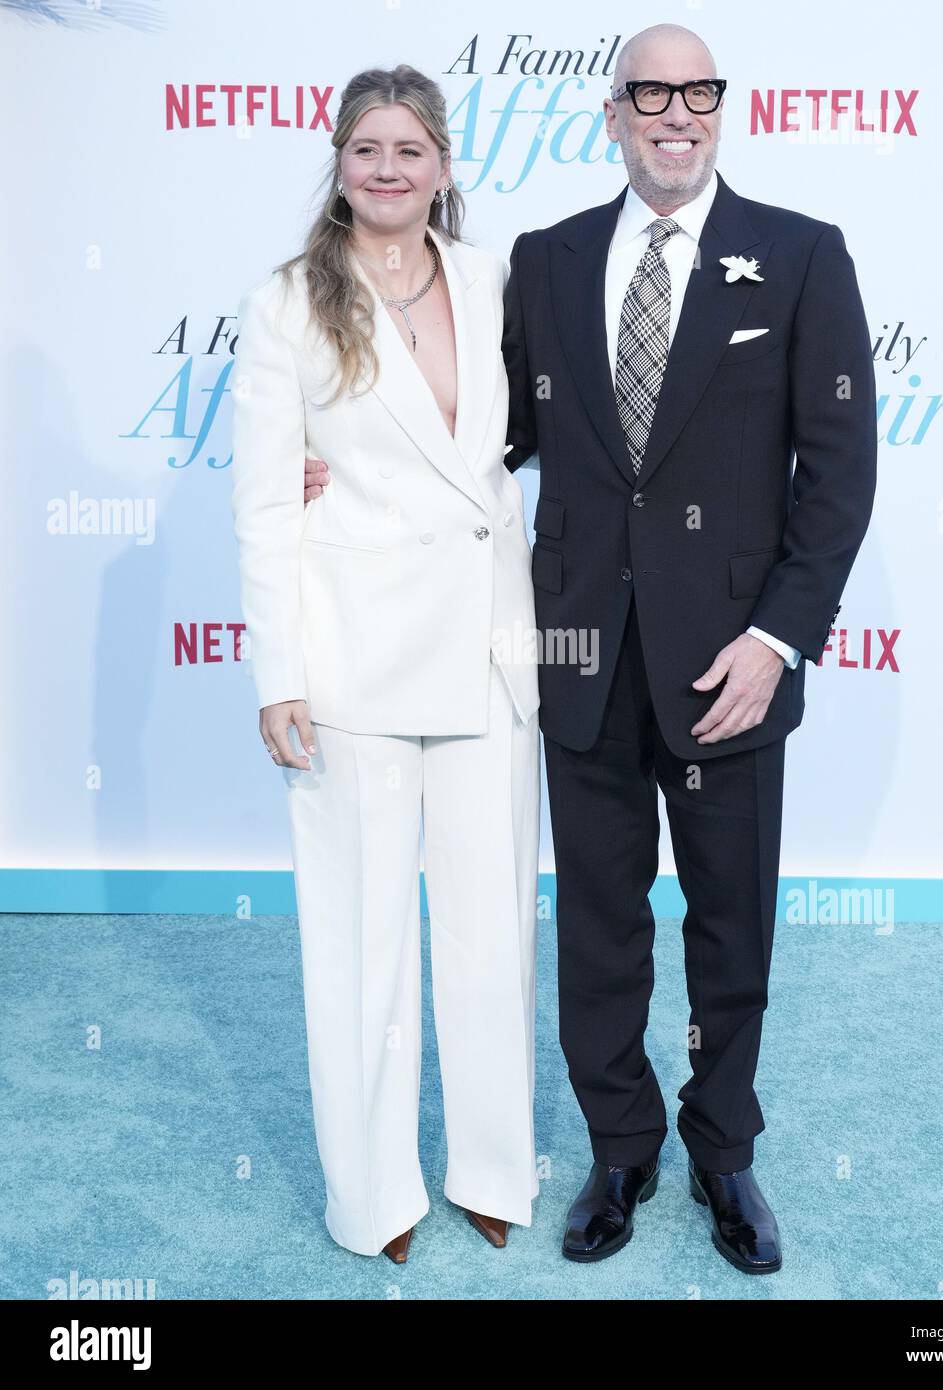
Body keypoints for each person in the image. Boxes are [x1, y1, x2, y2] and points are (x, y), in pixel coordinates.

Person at [305, 23, 877, 1273]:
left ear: (719, 110)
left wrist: (778, 639)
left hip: (730, 665)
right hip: (573, 654)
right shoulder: (547, 261)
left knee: (730, 925)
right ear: (609, 115)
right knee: (597, 925)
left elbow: (835, 479)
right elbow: (480, 434)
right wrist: (334, 449)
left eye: (696, 92)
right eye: (646, 94)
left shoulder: (799, 256)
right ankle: (620, 1150)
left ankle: (722, 1150)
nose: (673, 114)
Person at [231, 64, 541, 1264]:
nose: (390, 168)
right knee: (357, 943)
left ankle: (493, 1169)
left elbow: (515, 438)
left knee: (491, 930)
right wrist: (277, 673)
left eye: (411, 148)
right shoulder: (287, 302)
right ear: (338, 161)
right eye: (368, 149)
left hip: (489, 649)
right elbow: (263, 502)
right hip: (351, 659)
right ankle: (370, 1198)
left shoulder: (489, 275)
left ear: (444, 162)